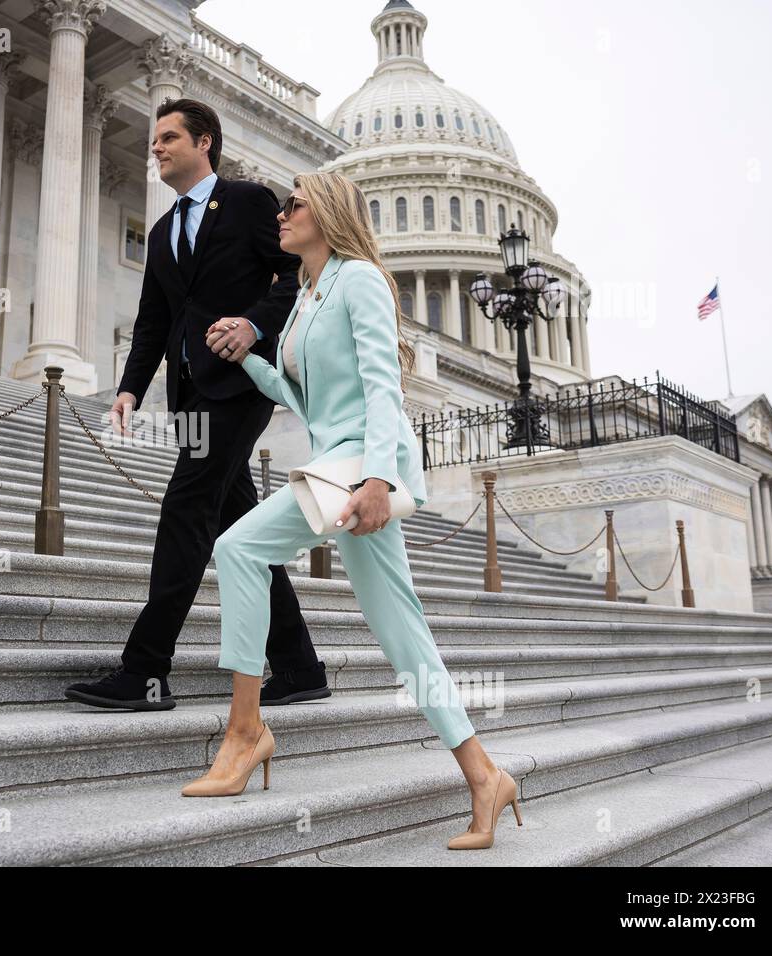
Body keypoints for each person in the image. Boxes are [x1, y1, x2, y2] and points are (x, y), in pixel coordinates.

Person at [184, 170, 523, 851]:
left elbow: (381, 387)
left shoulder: (359, 278)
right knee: (403, 632)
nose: (281, 214)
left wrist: (376, 478)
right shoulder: (308, 295)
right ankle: (485, 775)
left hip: (358, 467)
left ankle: (246, 732)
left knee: (239, 549)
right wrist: (248, 354)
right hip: (335, 459)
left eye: (295, 204)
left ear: (328, 211)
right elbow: (308, 402)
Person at [64, 98, 330, 711]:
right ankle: (299, 666)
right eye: (154, 139)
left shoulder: (246, 202)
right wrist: (131, 385)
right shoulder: (161, 232)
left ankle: (146, 669)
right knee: (239, 523)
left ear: (203, 142)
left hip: (239, 385)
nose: (155, 147)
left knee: (185, 510)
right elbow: (155, 320)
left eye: (168, 138)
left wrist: (253, 326)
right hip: (191, 392)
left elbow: (294, 278)